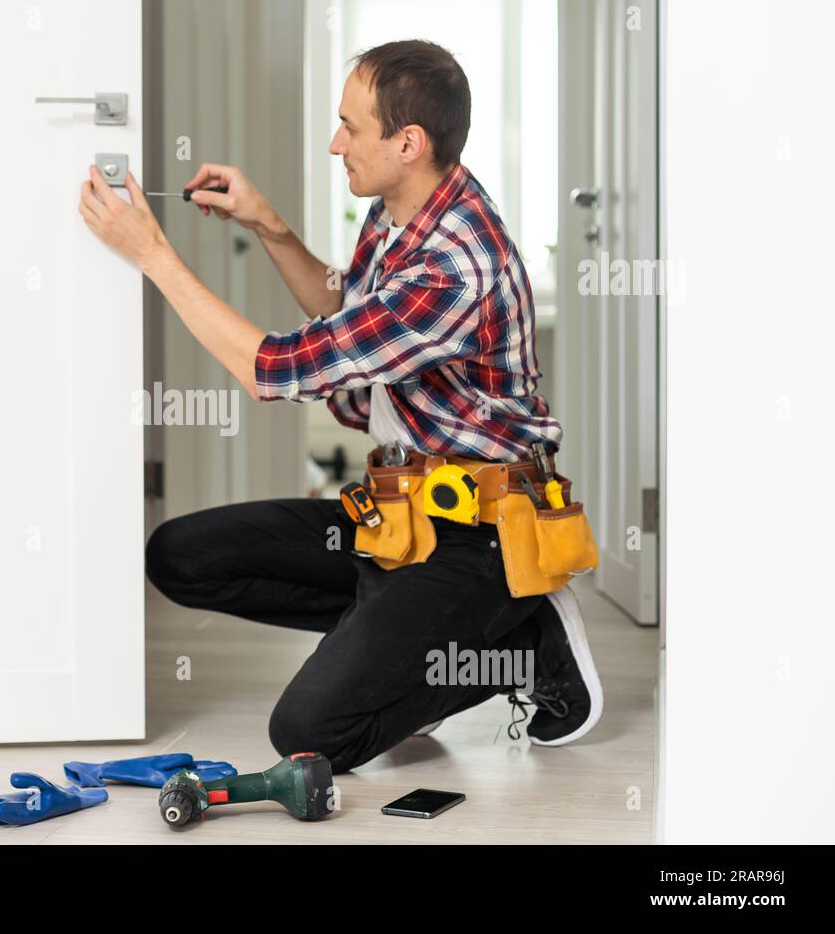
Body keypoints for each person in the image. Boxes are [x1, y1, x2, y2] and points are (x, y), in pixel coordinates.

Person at [79, 39, 602, 774]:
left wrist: (153, 256)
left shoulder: (456, 263)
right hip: (398, 519)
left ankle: (520, 645)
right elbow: (350, 315)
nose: (336, 144)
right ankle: (404, 641)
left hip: (478, 541)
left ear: (408, 142)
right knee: (180, 557)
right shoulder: (401, 211)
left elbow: (278, 371)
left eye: (351, 127)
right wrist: (267, 225)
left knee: (310, 731)